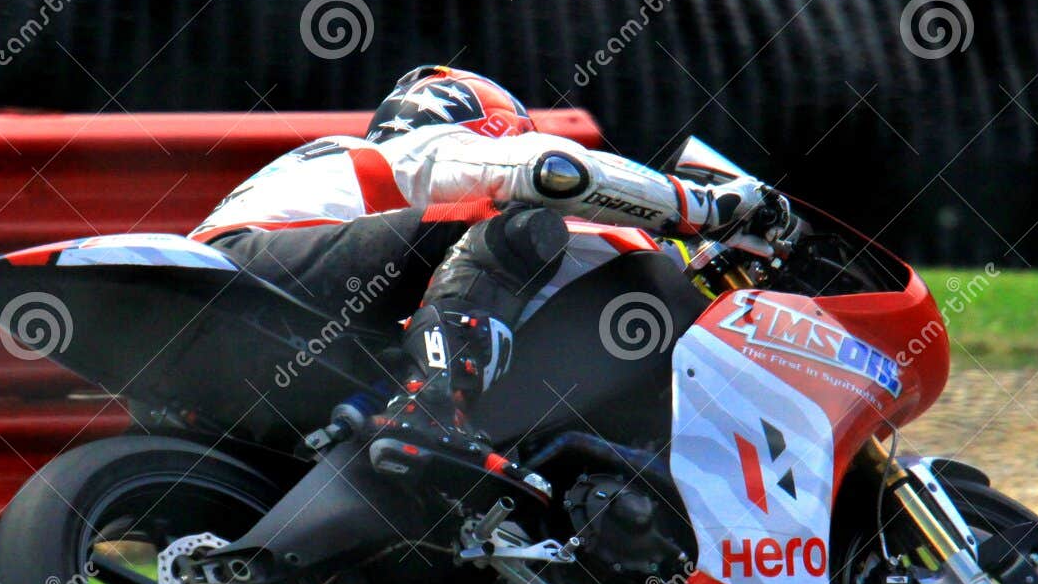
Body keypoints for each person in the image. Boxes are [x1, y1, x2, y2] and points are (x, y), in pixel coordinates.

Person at [191, 64, 794, 471]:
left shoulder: (336, 172)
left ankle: (392, 415)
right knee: (525, 224)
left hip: (234, 334)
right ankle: (431, 409)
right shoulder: (422, 150)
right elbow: (557, 173)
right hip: (257, 278)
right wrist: (706, 209)